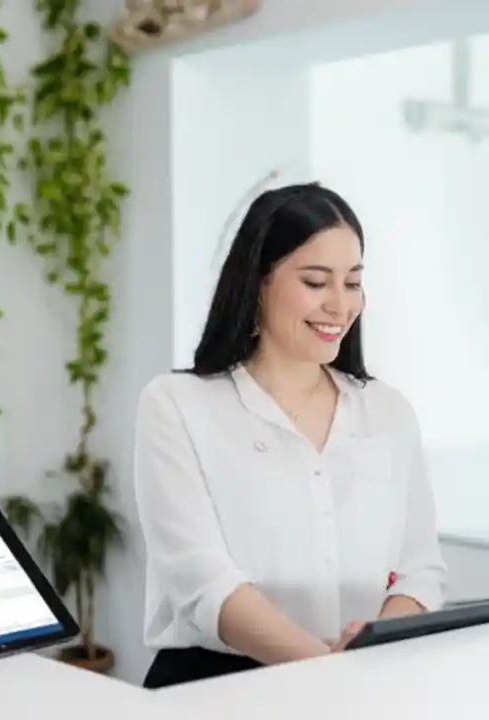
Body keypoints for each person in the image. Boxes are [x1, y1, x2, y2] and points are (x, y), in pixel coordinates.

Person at [133, 183, 447, 689]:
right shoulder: (176, 405)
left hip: (362, 683)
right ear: (258, 282)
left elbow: (421, 571)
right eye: (316, 282)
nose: (340, 305)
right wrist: (330, 671)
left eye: (353, 282)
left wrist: (370, 652)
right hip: (216, 688)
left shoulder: (387, 412)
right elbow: (202, 581)